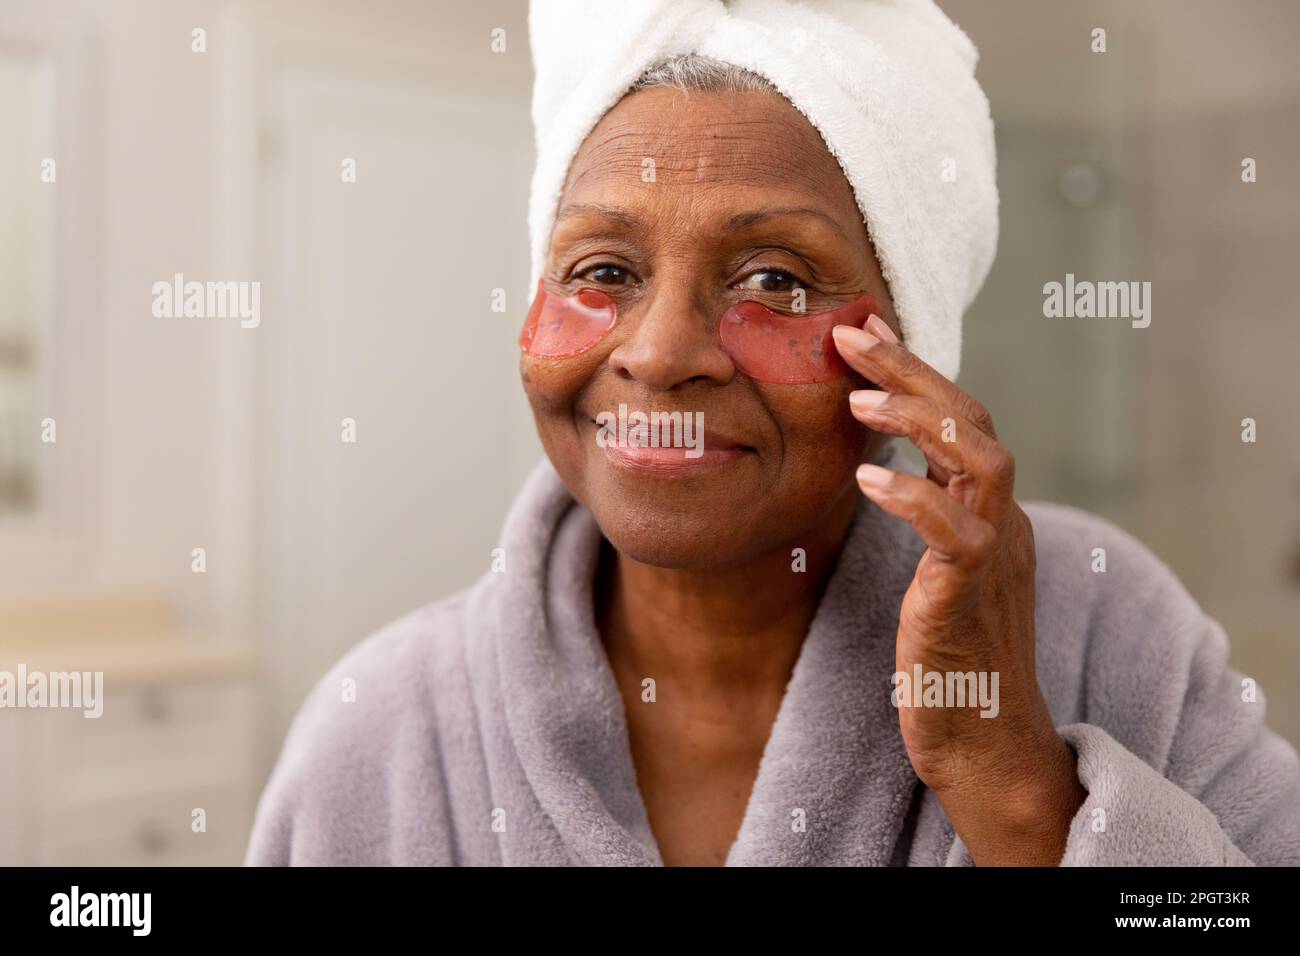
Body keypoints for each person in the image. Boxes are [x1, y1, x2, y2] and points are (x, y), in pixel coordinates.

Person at [245, 0, 1300, 866]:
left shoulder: (1107, 625)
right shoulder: (379, 731)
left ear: (909, 345)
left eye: (774, 280)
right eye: (601, 271)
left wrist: (1015, 783)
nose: (659, 353)